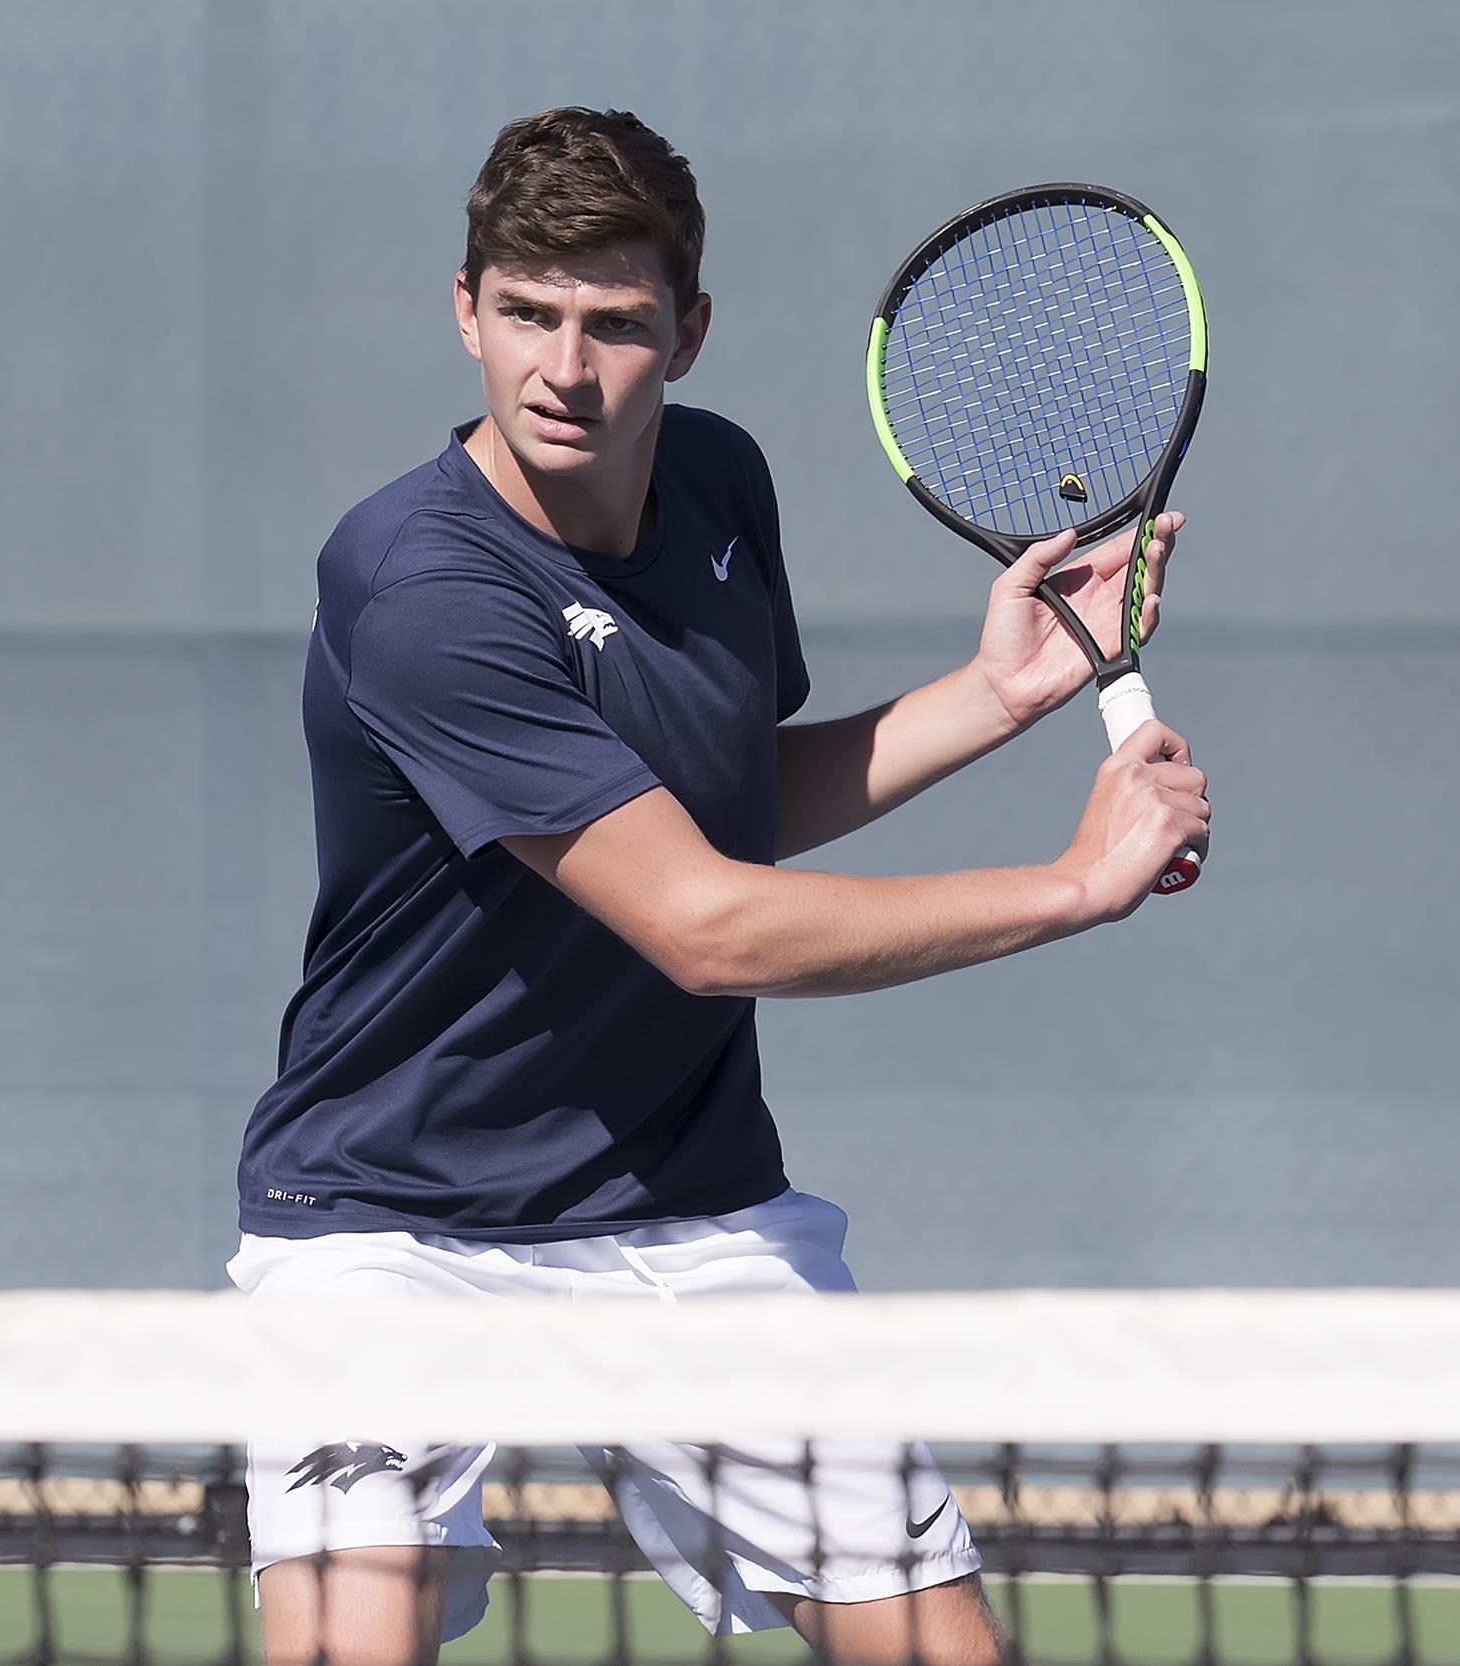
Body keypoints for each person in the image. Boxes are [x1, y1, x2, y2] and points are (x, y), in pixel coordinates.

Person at [231, 107, 1209, 1666]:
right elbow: (705, 924)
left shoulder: (718, 484)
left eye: (615, 323)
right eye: (528, 314)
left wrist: (992, 693)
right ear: (465, 308)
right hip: (393, 1224)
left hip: (687, 1205)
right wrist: (1074, 885)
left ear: (686, 334)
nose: (565, 367)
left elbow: (727, 806)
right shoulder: (419, 590)